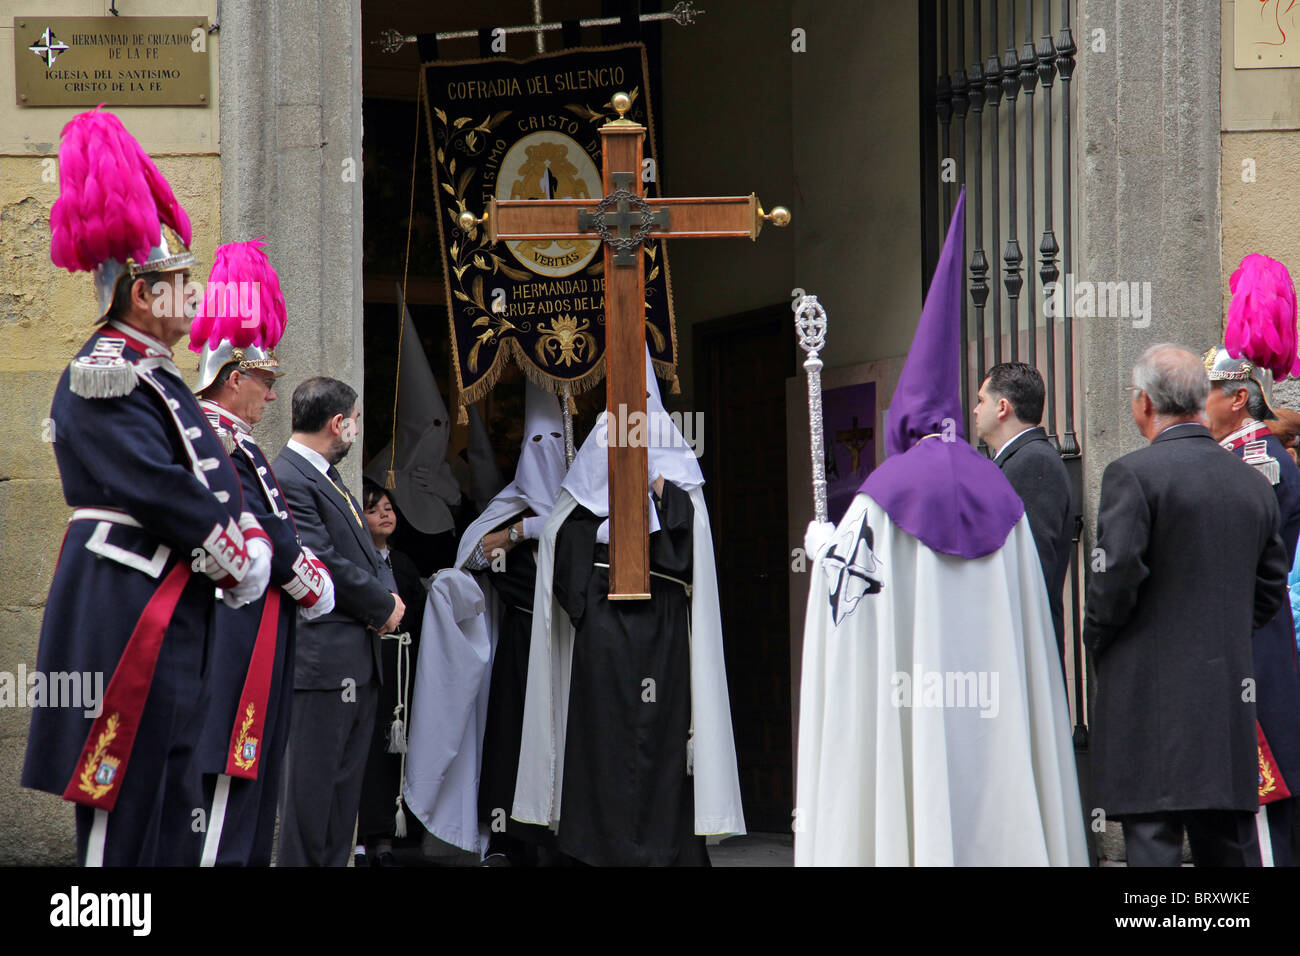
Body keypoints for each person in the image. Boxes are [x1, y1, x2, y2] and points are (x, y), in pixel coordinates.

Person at [796, 190, 1087, 866]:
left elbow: (848, 606)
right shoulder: (999, 492)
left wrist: (821, 545)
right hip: (992, 713)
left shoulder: (882, 493)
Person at [22, 108, 272, 866]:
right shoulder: (106, 372)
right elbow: (160, 488)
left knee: (168, 794)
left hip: (172, 601)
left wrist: (245, 537)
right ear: (140, 294)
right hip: (126, 603)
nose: (191, 299)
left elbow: (208, 477)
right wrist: (236, 553)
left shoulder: (150, 374)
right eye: (177, 285)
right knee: (121, 802)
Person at [513, 350, 746, 866]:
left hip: (661, 623)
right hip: (603, 625)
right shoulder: (596, 450)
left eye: (640, 400)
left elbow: (696, 546)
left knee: (661, 735)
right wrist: (603, 523)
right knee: (602, 734)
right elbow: (559, 536)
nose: (632, 415)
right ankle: (596, 846)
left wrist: (657, 486)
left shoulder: (675, 454)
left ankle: (667, 849)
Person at [1086, 343, 1288, 867]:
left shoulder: (1132, 475)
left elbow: (1113, 584)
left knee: (1154, 845)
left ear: (1145, 404)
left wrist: (1100, 642)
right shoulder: (1252, 482)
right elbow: (1269, 589)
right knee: (1228, 847)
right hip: (1226, 701)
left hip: (1149, 702)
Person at [190, 240, 336, 866]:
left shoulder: (232, 438)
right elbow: (270, 536)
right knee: (231, 787)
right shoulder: (221, 439)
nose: (273, 397)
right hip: (236, 630)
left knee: (254, 781)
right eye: (266, 381)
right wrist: (314, 584)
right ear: (233, 377)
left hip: (260, 627)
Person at [274, 377, 406, 867]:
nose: (355, 430)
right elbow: (319, 558)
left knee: (339, 804)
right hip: (321, 666)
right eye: (354, 421)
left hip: (354, 664)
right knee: (309, 802)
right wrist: (382, 604)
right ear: (337, 423)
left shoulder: (325, 474)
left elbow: (359, 555)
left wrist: (386, 593)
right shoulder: (289, 476)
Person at [1201, 253, 1300, 866]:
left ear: (1238, 399)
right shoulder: (1243, 456)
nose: (1199, 405)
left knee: (1262, 815)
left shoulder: (1257, 462)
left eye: (1207, 394)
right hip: (1249, 640)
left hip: (1255, 641)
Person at [973, 362, 1074, 665]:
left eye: (981, 401)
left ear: (1002, 407)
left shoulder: (1033, 463)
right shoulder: (1015, 461)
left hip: (1023, 647)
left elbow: (1032, 568)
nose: (976, 410)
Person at [356, 481, 427, 867]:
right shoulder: (358, 562)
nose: (385, 514)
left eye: (388, 507)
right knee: (363, 746)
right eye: (374, 509)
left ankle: (386, 836)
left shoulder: (403, 564)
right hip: (370, 664)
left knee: (392, 749)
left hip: (401, 666)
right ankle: (359, 837)